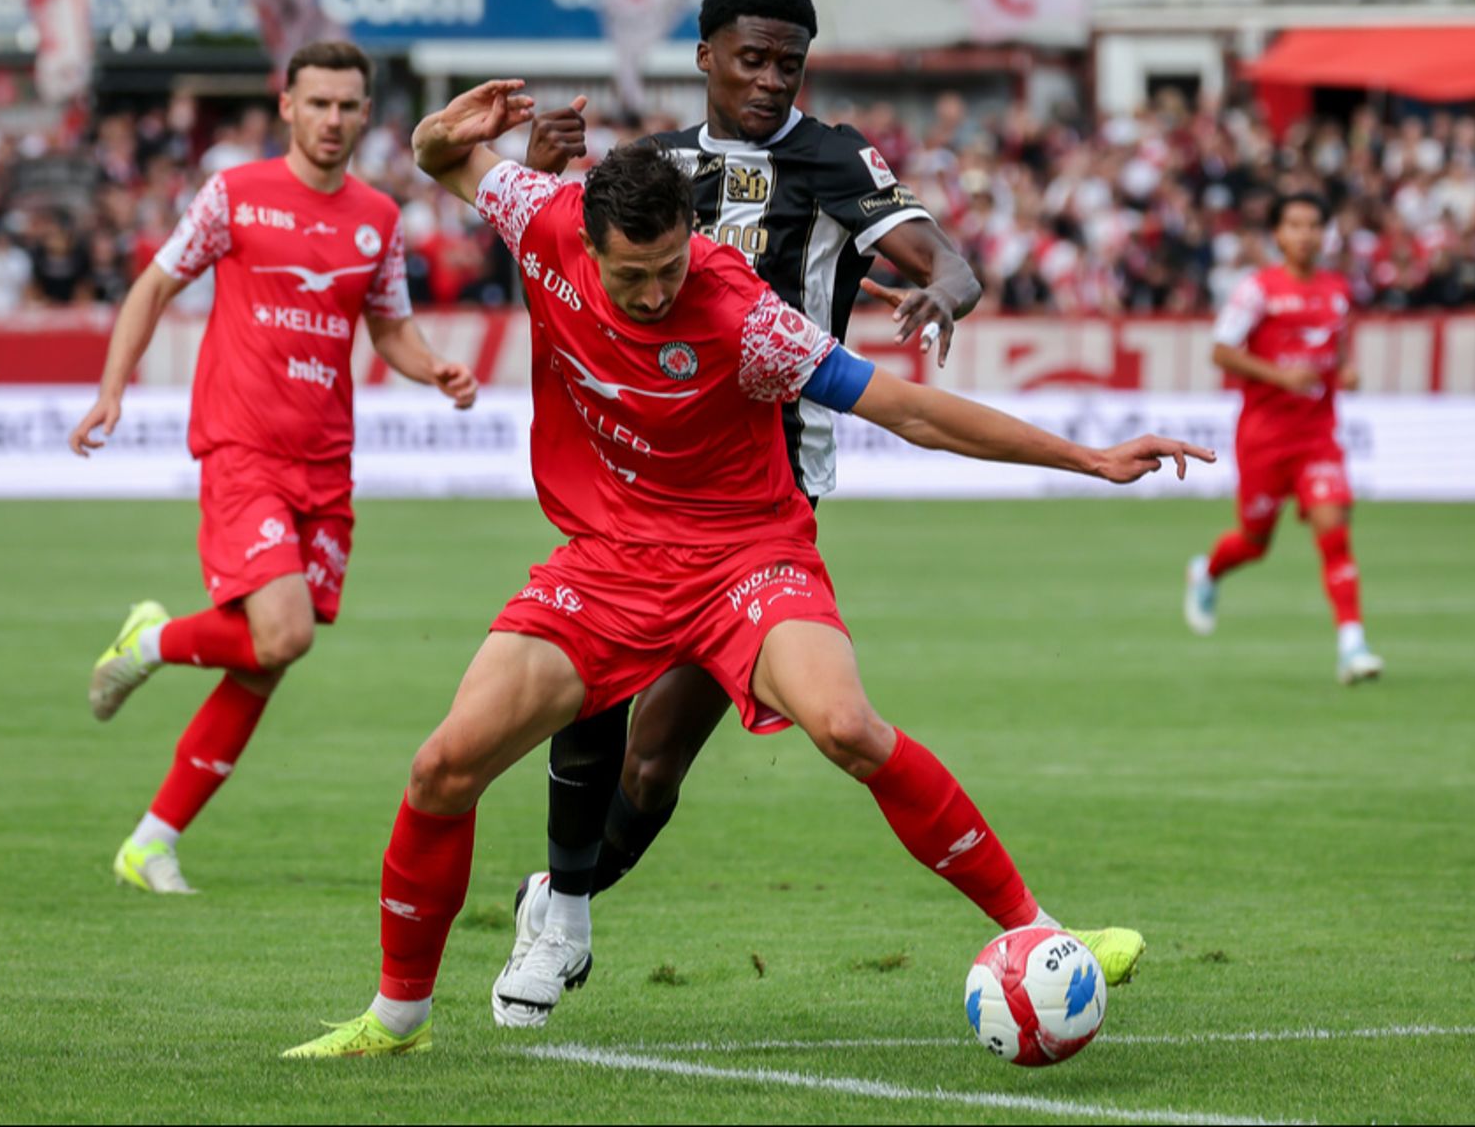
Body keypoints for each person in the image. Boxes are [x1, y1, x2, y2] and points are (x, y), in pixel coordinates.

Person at [282, 80, 1213, 1058]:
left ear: (692, 236)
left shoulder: (744, 315)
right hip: (609, 561)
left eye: (670, 266)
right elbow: (439, 157)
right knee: (442, 767)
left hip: (746, 558)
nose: (656, 293)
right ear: (586, 245)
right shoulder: (541, 214)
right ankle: (397, 1019)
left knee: (847, 726)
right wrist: (444, 127)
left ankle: (1038, 927)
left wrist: (1088, 457)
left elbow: (910, 410)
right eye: (633, 276)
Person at [498, 0, 988, 1024]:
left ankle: (559, 895)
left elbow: (944, 257)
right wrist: (535, 174)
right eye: (753, 59)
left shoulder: (836, 159)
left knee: (656, 760)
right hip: (641, 489)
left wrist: (944, 290)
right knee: (594, 692)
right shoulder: (653, 168)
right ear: (706, 56)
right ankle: (564, 916)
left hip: (764, 509)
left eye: (788, 65)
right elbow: (556, 275)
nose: (770, 80)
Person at [66, 41, 479, 895]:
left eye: (348, 105)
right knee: (283, 632)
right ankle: (150, 641)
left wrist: (432, 365)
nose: (333, 119)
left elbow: (390, 327)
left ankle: (151, 841)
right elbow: (153, 285)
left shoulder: (378, 217)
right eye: (318, 103)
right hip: (242, 446)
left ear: (366, 114)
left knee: (264, 658)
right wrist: (111, 391)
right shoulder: (234, 195)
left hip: (327, 461)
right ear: (286, 106)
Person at [1184, 192, 1385, 685]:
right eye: (1295, 225)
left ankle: (1353, 645)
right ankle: (1207, 572)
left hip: (1317, 436)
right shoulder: (1257, 290)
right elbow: (1221, 350)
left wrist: (1347, 373)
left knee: (1334, 533)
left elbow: (1336, 357)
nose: (1305, 235)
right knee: (1255, 542)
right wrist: (1280, 376)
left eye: (1314, 225)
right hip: (1264, 438)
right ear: (1278, 234)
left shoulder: (1337, 291)